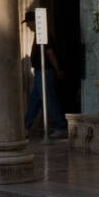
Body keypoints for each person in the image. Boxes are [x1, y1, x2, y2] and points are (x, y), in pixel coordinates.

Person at [23, 10, 67, 138]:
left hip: (45, 71)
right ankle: (26, 126)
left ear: (34, 22)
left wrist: (57, 69)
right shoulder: (38, 35)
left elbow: (50, 53)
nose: (27, 26)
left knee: (48, 99)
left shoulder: (44, 34)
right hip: (38, 72)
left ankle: (60, 126)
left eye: (29, 23)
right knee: (34, 101)